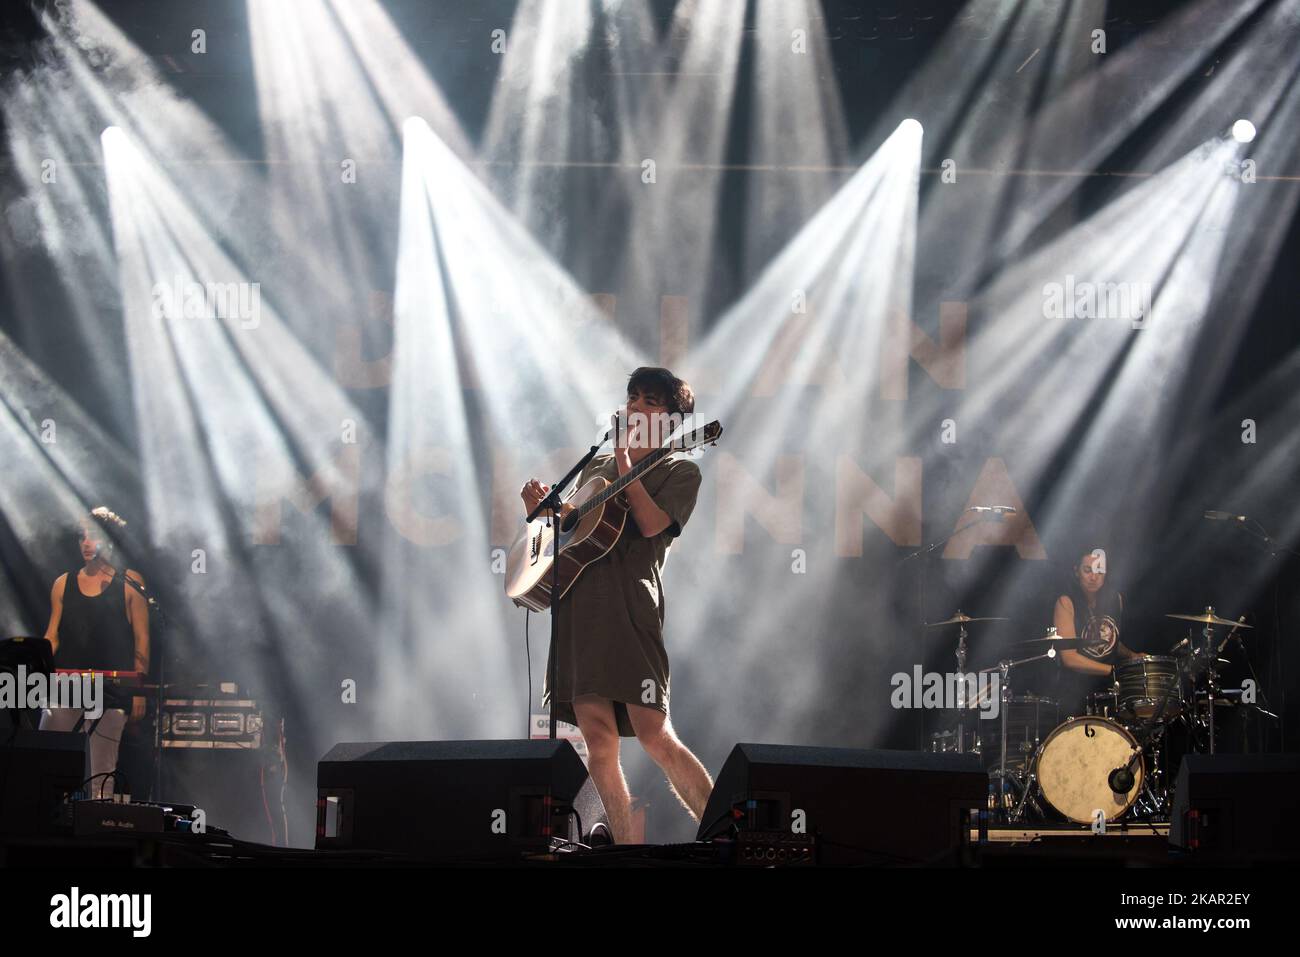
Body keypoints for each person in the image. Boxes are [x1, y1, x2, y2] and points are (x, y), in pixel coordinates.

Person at [521, 367, 713, 843]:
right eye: (634, 397)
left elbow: (650, 526)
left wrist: (628, 464)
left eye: (651, 401)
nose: (637, 407)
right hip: (579, 613)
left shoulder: (680, 469)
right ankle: (625, 851)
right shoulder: (596, 466)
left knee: (654, 733)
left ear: (672, 420)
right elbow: (569, 533)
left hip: (630, 612)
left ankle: (724, 833)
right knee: (599, 744)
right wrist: (544, 511)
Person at [41, 507, 150, 798]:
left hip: (110, 693)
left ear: (108, 540)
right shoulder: (63, 583)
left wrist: (139, 690)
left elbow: (142, 639)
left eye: (93, 537)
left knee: (100, 772)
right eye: (82, 537)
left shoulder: (130, 581)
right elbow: (52, 636)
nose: (87, 543)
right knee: (48, 760)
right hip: (66, 689)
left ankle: (100, 834)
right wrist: (36, 664)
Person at [1052, 546, 1139, 716]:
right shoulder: (1066, 602)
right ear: (1076, 571)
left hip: (1109, 690)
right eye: (1087, 570)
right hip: (1076, 693)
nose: (1093, 577)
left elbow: (1110, 641)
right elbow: (1069, 658)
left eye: (1099, 571)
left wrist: (1132, 656)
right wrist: (1113, 670)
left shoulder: (1116, 599)